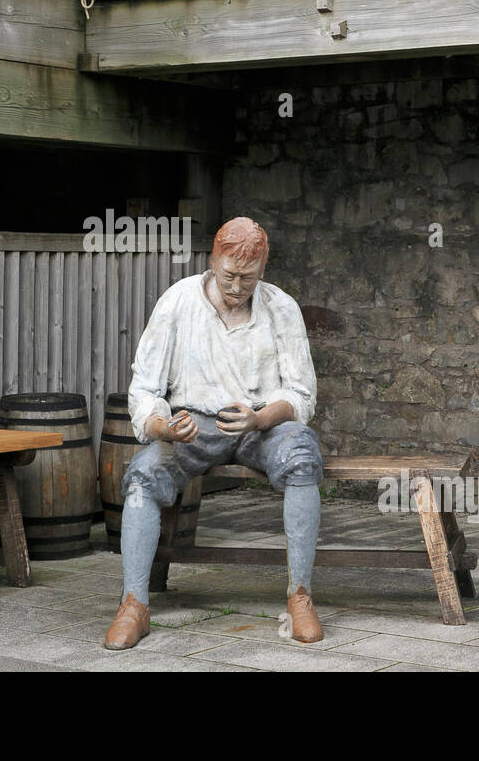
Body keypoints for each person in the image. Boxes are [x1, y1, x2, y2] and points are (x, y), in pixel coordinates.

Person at [104, 216, 324, 650]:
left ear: (264, 269)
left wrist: (261, 418)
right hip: (195, 424)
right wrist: (165, 426)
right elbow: (145, 389)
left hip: (261, 423)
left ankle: (300, 596)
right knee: (143, 474)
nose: (238, 286)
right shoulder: (178, 302)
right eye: (230, 275)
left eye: (249, 277)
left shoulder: (281, 308)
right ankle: (134, 604)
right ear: (212, 260)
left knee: (301, 456)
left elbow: (302, 396)